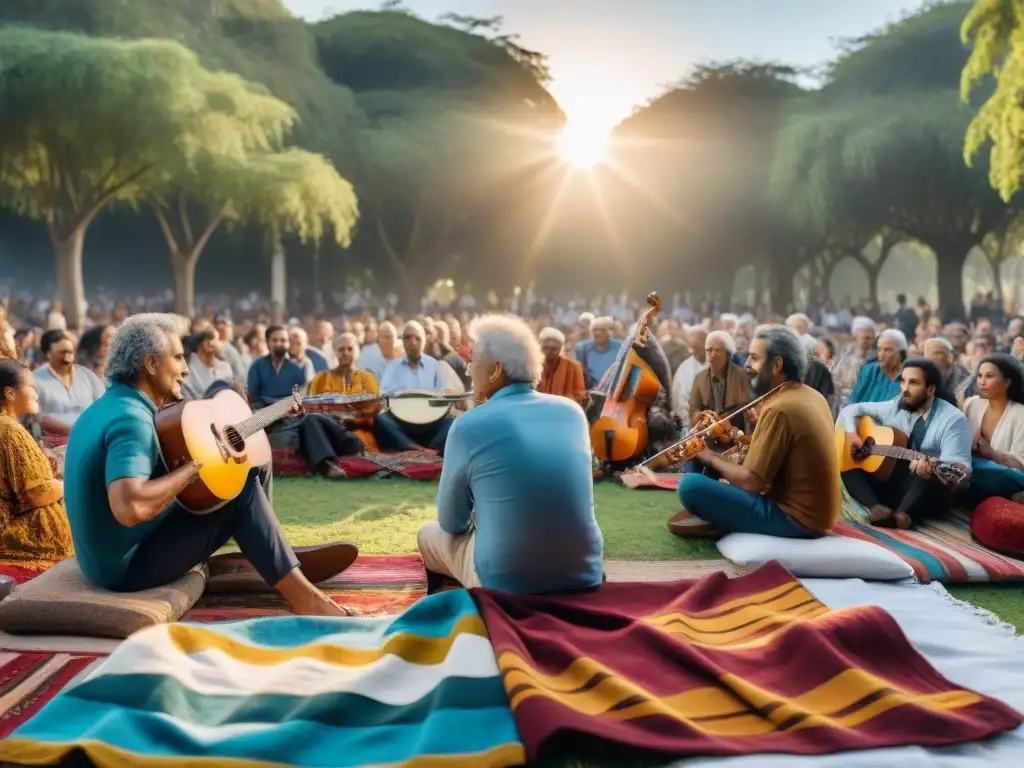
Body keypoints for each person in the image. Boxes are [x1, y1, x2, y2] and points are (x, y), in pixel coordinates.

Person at [63, 313, 358, 614]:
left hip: (101, 561)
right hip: (127, 569)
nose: (185, 369)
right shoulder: (132, 420)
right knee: (241, 489)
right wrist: (190, 470)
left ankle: (268, 548)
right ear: (150, 364)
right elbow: (130, 507)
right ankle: (306, 600)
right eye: (178, 357)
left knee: (250, 464)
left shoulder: (107, 406)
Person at [417, 314, 604, 594]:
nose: (467, 369)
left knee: (427, 535)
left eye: (472, 360)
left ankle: (457, 603)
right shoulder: (573, 413)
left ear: (496, 370)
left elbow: (452, 522)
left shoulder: (468, 425)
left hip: (506, 584)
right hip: (584, 573)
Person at [671, 325, 840, 539]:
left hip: (796, 520)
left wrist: (707, 456)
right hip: (823, 517)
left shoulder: (780, 408)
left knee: (690, 485)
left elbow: (752, 482)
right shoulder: (813, 396)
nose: (747, 365)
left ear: (776, 364)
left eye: (754, 358)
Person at [837, 358, 972, 529]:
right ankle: (876, 508)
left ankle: (902, 515)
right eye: (903, 381)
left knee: (924, 478)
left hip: (928, 494)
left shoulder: (953, 419)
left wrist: (931, 469)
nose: (905, 389)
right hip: (894, 485)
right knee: (848, 468)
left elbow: (961, 469)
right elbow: (851, 409)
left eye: (913, 383)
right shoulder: (897, 404)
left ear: (930, 389)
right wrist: (851, 434)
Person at [0, 360, 74, 568]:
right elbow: (33, 494)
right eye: (31, 386)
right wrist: (64, 484)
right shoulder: (9, 430)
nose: (37, 393)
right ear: (10, 393)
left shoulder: (8, 425)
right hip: (9, 526)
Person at [378, 321, 455, 454]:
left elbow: (444, 396)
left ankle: (432, 448)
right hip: (402, 423)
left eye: (417, 338)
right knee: (381, 419)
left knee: (453, 420)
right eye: (408, 338)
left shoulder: (433, 365)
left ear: (424, 342)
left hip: (431, 422)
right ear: (402, 341)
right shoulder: (393, 366)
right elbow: (383, 396)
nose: (413, 342)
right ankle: (413, 447)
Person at [960, 354, 1024, 503]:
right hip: (971, 469)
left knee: (993, 471)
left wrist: (991, 453)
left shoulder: (1020, 413)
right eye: (979, 376)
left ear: (1007, 382)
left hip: (1002, 476)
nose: (982, 382)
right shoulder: (972, 404)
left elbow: (1020, 466)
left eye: (989, 376)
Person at [308, 332, 382, 452]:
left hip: (359, 432)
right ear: (335, 352)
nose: (345, 353)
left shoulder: (367, 378)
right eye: (341, 349)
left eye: (350, 349)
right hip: (328, 431)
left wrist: (352, 421)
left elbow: (374, 412)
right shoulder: (321, 378)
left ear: (358, 351)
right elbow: (312, 409)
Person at [32, 329, 106, 436]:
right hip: (55, 440)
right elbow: (39, 417)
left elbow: (101, 407)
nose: (67, 356)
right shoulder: (36, 379)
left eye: (70, 351)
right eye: (62, 352)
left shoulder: (86, 376)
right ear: (49, 354)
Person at [848, 329, 906, 405]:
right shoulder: (870, 371)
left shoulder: (907, 378)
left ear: (900, 353)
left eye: (888, 350)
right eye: (879, 349)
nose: (881, 354)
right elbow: (852, 402)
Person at [536, 326, 587, 407]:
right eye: (546, 347)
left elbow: (579, 395)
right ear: (539, 347)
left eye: (554, 349)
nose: (549, 351)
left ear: (561, 349)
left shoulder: (574, 367)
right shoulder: (531, 365)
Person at [181, 328, 234, 400]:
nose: (223, 344)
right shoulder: (188, 372)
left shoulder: (225, 367)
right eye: (219, 340)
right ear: (207, 344)